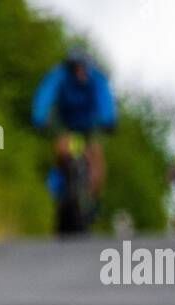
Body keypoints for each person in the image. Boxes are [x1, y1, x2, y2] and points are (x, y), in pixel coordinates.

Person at [31, 49, 117, 204]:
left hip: (90, 126)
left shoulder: (96, 78)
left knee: (96, 157)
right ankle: (58, 190)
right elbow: (46, 94)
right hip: (67, 124)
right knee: (62, 150)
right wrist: (39, 117)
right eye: (76, 68)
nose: (81, 72)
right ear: (70, 68)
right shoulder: (60, 75)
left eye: (83, 68)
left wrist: (108, 120)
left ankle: (93, 200)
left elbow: (105, 98)